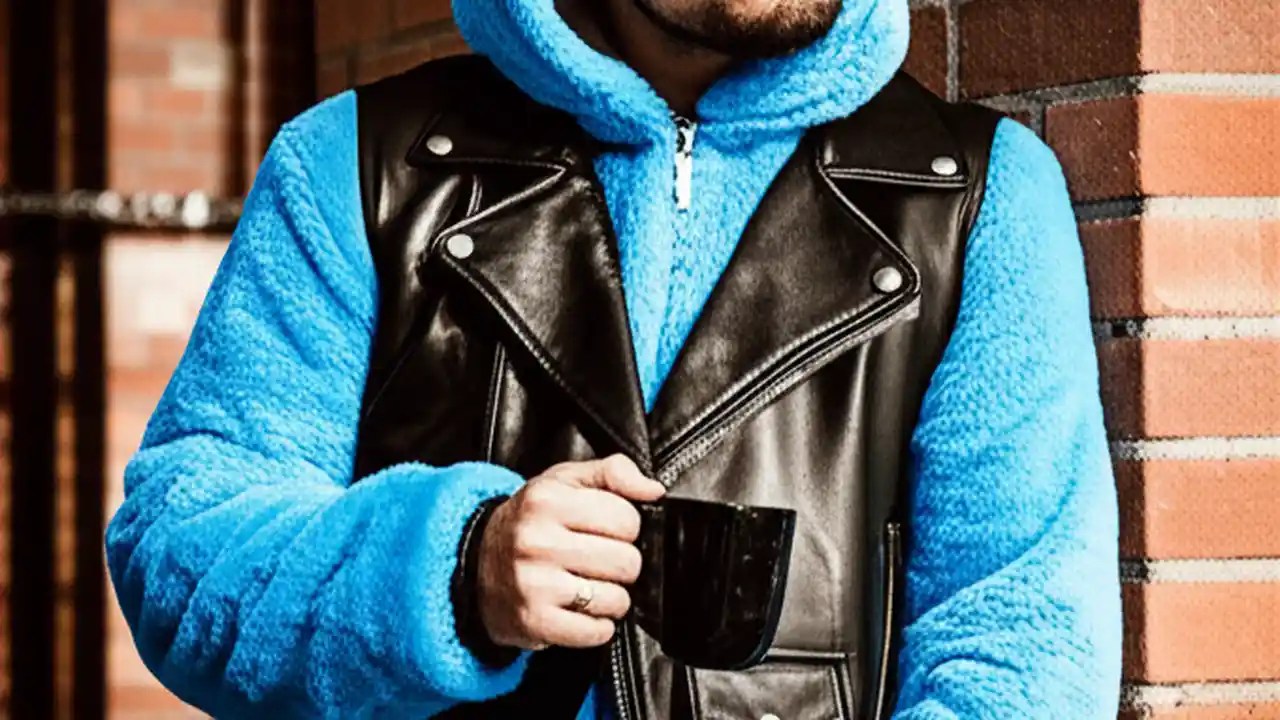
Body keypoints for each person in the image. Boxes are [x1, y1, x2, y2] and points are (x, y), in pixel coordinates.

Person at [104, 0, 1123, 716]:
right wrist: (454, 572)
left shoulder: (977, 198)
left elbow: (1020, 643)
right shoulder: (356, 164)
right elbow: (183, 546)